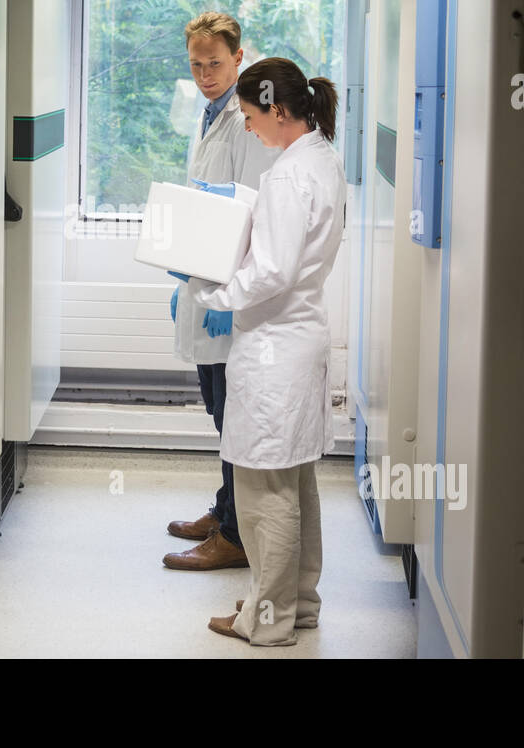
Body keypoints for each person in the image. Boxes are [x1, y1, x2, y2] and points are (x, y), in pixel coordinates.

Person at [184, 56, 347, 644]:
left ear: (278, 110)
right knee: (296, 488)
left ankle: (268, 620)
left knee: (263, 496)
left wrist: (212, 292)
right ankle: (297, 604)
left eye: (251, 116)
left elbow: (272, 271)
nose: (248, 127)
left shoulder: (286, 176)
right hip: (301, 341)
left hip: (275, 348)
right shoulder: (321, 158)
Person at [163, 13, 280, 572]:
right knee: (217, 406)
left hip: (230, 288)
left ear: (238, 57)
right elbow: (205, 202)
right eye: (196, 64)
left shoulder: (246, 118)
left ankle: (234, 536)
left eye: (215, 62)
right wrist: (185, 277)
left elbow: (249, 211)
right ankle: (225, 507)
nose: (206, 73)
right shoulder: (209, 112)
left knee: (230, 412)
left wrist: (222, 292)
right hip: (205, 280)